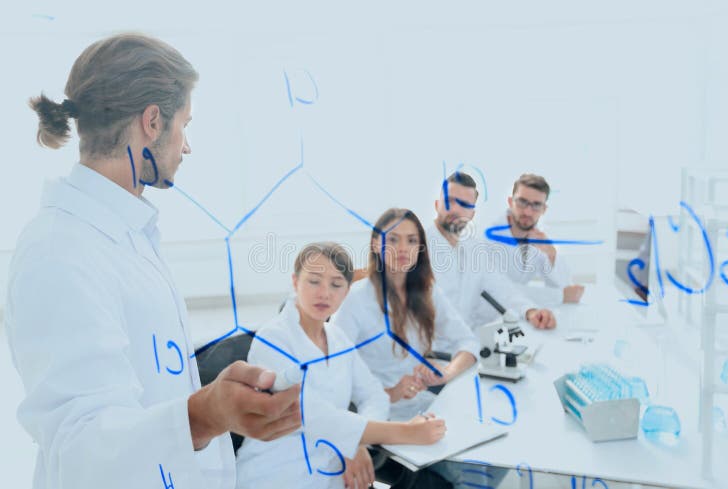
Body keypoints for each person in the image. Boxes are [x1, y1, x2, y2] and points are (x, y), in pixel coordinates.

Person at [5, 33, 300, 489]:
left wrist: (218, 389)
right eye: (185, 125)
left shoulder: (127, 235)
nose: (187, 147)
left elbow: (141, 371)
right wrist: (206, 413)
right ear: (153, 122)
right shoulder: (59, 250)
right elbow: (81, 446)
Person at [236, 242, 447, 489]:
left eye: (336, 285)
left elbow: (374, 396)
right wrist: (405, 432)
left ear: (346, 292)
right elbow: (309, 414)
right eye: (314, 281)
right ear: (295, 282)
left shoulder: (338, 339)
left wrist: (356, 444)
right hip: (276, 475)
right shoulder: (272, 339)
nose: (325, 293)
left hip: (335, 473)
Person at [335, 208, 480, 421]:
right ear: (376, 244)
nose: (403, 249)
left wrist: (446, 373)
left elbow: (468, 342)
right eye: (393, 239)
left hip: (421, 406)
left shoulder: (427, 292)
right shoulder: (355, 299)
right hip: (376, 416)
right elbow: (334, 373)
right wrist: (391, 393)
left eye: (411, 241)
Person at [427, 171, 558, 331]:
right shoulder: (417, 247)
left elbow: (501, 287)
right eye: (449, 201)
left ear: (472, 214)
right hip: (431, 348)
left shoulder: (474, 249)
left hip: (467, 342)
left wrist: (530, 311)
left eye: (465, 205)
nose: (456, 210)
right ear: (436, 205)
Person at [486, 173, 584, 305]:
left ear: (544, 209)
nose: (527, 212)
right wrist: (559, 296)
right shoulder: (489, 237)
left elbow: (564, 286)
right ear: (510, 202)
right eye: (522, 202)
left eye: (536, 205)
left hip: (517, 313)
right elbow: (499, 290)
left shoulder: (538, 236)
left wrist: (551, 254)